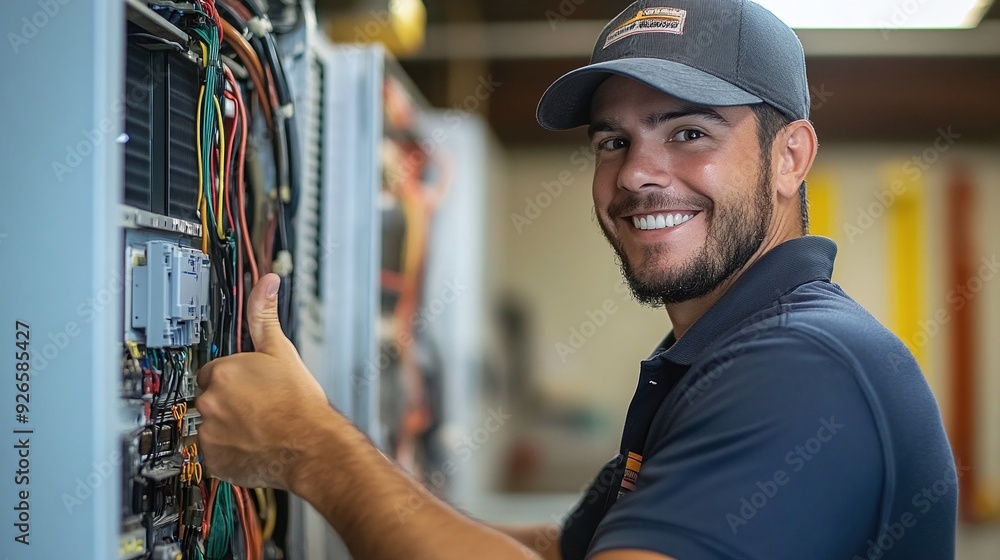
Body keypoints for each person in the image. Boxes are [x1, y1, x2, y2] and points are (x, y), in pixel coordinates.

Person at [196, 0, 958, 558]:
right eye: (613, 141)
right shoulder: (725, 354)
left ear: (791, 156)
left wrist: (309, 448)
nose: (638, 175)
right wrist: (322, 449)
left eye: (689, 132)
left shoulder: (803, 367)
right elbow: (568, 551)